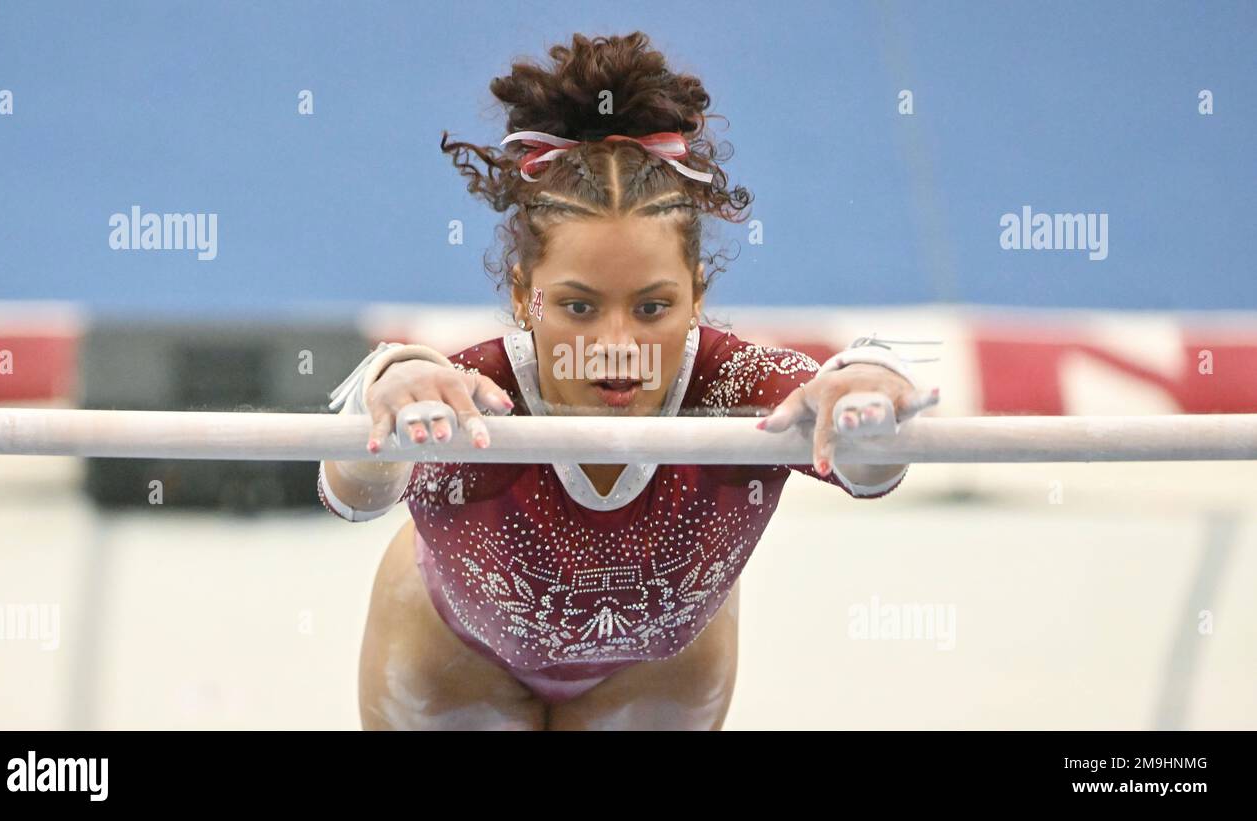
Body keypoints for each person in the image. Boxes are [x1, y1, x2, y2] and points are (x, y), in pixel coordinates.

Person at [318, 32, 936, 730]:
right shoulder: (470, 392)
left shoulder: (733, 391)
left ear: (696, 295)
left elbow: (869, 467)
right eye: (579, 307)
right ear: (524, 297)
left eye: (652, 308)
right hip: (450, 655)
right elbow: (352, 494)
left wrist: (869, 388)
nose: (617, 348)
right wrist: (386, 388)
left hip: (662, 672)